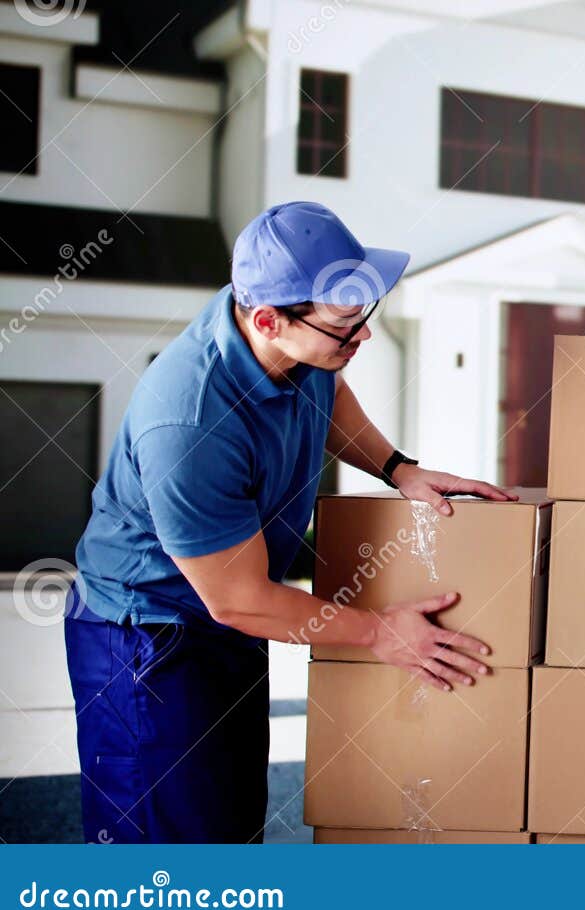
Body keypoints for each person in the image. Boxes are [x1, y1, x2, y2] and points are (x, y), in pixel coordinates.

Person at [64, 202, 514, 844]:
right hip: (148, 637)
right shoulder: (190, 423)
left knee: (229, 826)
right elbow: (239, 600)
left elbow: (328, 395)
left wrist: (398, 468)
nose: (360, 338)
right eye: (342, 326)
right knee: (166, 854)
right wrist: (381, 633)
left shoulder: (289, 342)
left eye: (364, 316)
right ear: (270, 320)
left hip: (230, 619)